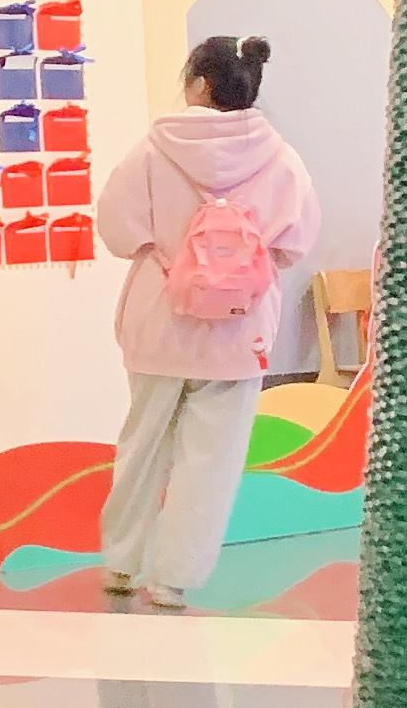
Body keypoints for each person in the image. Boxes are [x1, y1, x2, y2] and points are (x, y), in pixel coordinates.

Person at [92, 33, 318, 612]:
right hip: (240, 332)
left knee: (142, 444)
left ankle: (121, 562)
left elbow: (117, 230)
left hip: (158, 322)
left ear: (197, 84)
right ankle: (173, 579)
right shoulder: (282, 160)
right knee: (211, 459)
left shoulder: (151, 151)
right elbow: (295, 243)